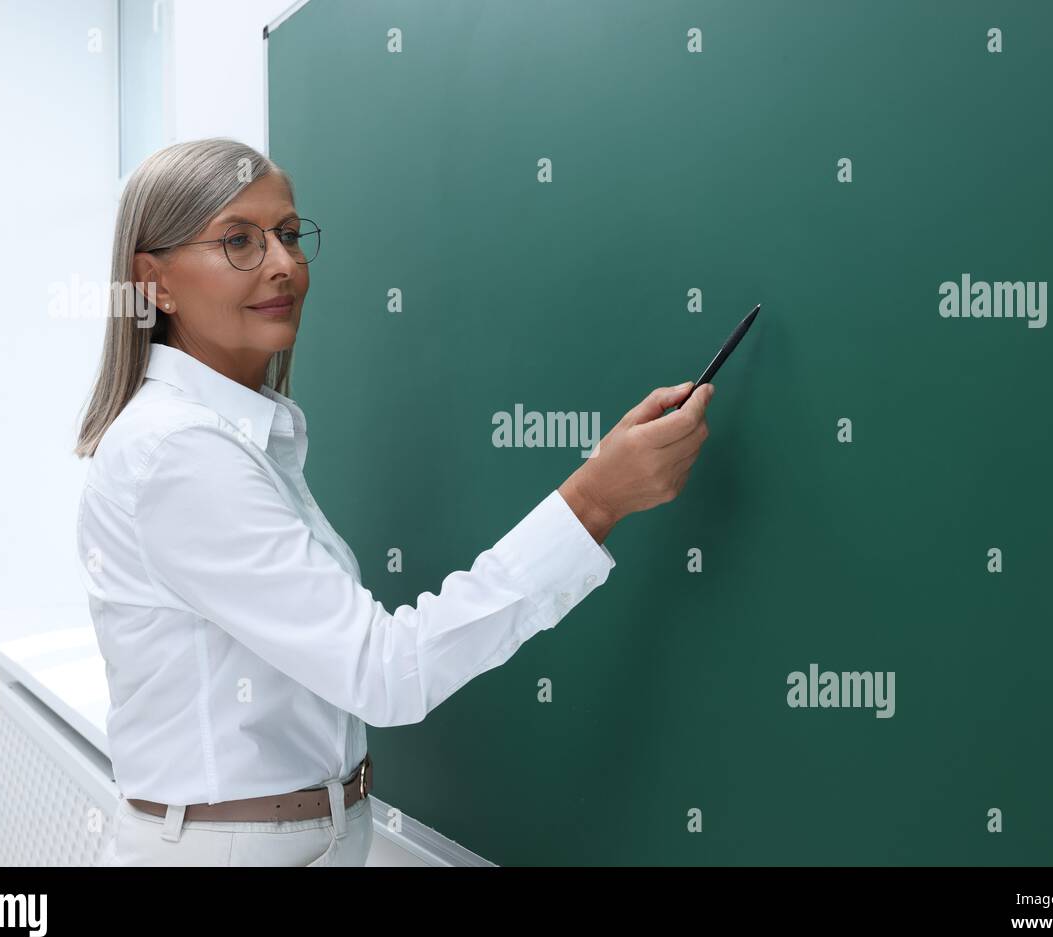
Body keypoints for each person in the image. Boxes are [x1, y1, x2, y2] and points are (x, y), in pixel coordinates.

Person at [74, 137, 713, 866]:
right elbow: (384, 671)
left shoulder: (236, 434)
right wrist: (592, 501)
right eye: (239, 241)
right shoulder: (179, 453)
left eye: (287, 233)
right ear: (153, 281)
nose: (283, 263)